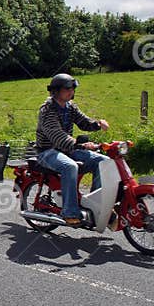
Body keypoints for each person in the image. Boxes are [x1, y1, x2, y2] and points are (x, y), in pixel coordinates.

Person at [35, 73, 110, 226]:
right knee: (70, 166)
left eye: (73, 88)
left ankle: (95, 205)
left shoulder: (70, 107)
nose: (71, 91)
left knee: (103, 161)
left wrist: (97, 124)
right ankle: (69, 212)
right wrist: (79, 145)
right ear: (56, 91)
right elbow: (57, 136)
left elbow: (84, 122)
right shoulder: (47, 110)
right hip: (47, 152)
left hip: (66, 150)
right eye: (67, 88)